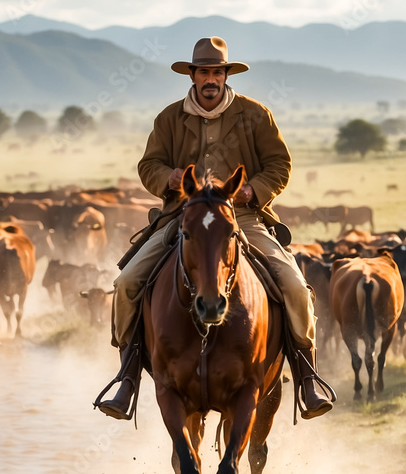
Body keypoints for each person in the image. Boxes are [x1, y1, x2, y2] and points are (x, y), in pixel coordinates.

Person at [96, 36, 334, 420]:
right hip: (183, 217)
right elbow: (148, 166)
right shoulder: (169, 118)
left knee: (294, 286)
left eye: (217, 71)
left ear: (226, 74)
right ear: (191, 74)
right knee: (126, 284)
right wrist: (169, 178)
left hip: (242, 218)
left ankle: (307, 374)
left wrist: (253, 190)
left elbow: (279, 165)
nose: (211, 78)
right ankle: (127, 376)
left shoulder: (255, 115)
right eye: (204, 71)